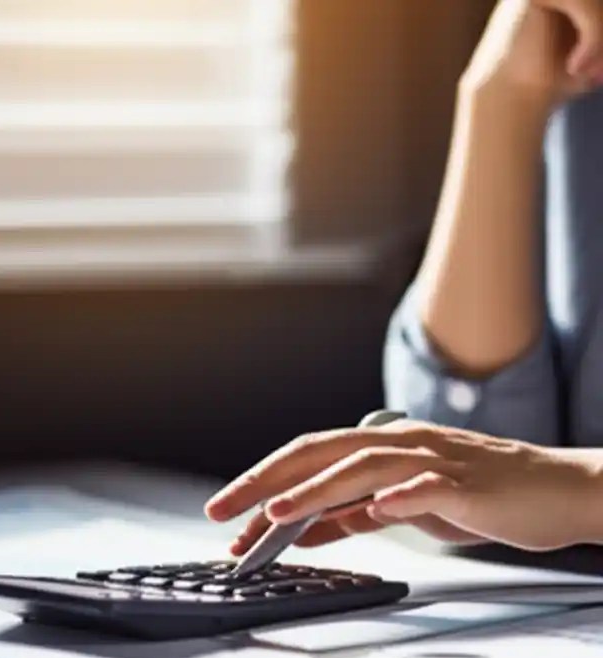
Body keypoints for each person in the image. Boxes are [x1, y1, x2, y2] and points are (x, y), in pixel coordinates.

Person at [207, 0, 603, 553]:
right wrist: (498, 99)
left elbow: (539, 486)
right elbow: (474, 483)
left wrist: (588, 488)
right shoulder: (582, 71)